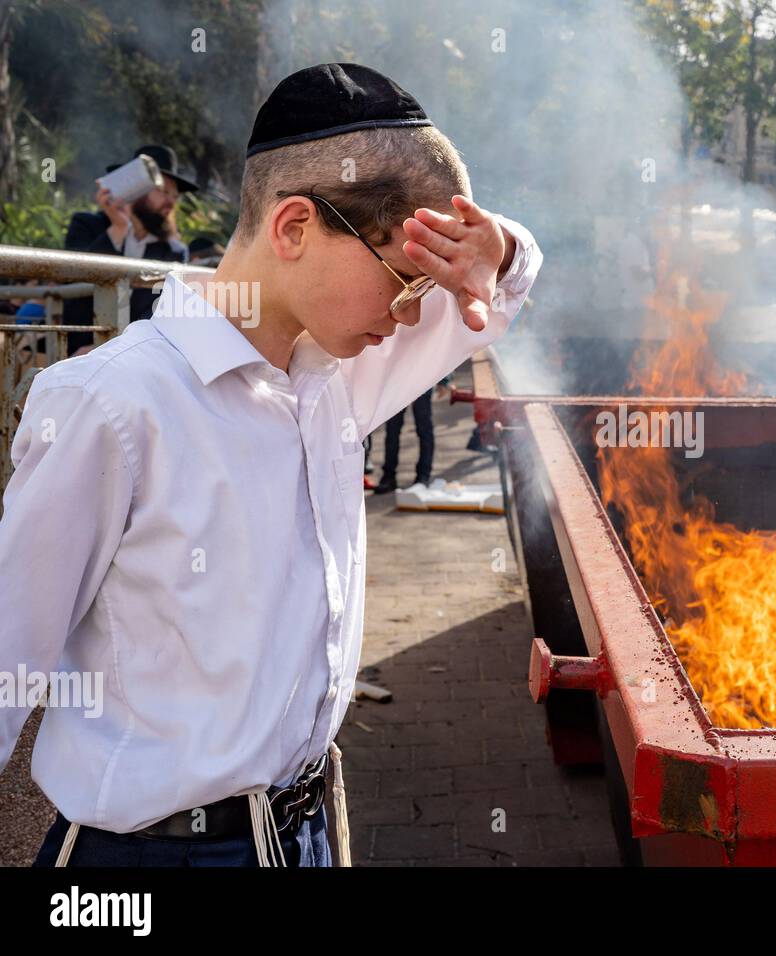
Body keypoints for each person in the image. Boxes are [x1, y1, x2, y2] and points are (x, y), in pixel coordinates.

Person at [0, 62, 542, 867]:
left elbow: (510, 283)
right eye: (402, 281)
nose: (412, 314)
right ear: (293, 228)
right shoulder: (112, 406)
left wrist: (497, 243)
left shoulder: (328, 374)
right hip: (152, 860)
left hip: (303, 831)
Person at [63, 144, 198, 353]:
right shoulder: (85, 225)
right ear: (135, 188)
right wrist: (118, 228)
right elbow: (72, 281)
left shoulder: (173, 251)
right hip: (76, 352)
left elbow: (163, 312)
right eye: (163, 191)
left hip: (138, 354)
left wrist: (122, 347)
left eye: (175, 196)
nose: (171, 202)